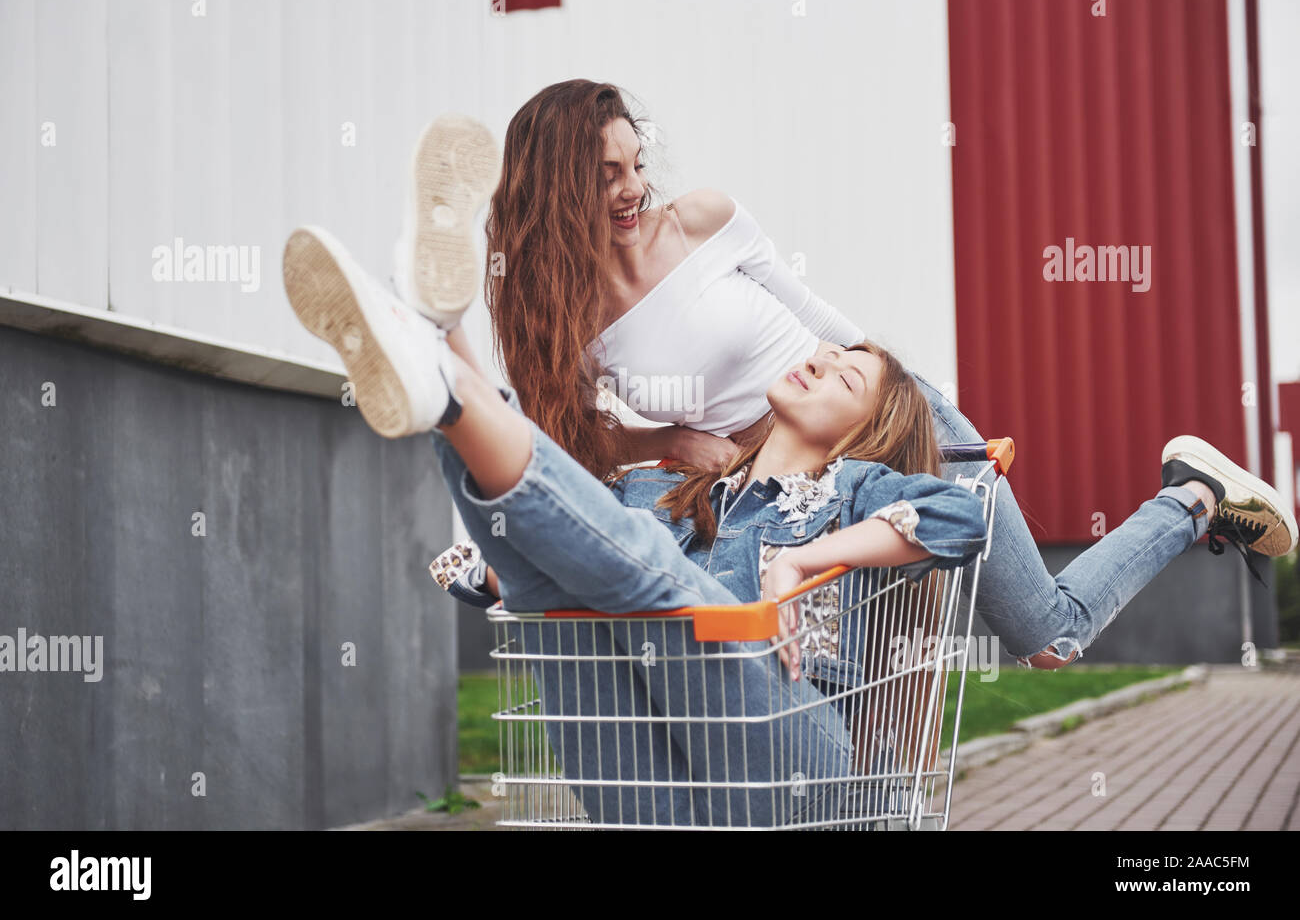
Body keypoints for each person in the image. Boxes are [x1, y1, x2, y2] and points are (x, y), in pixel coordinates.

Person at [447, 82, 1297, 671]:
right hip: (776, 490)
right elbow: (572, 433)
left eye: (636, 163)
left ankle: (1191, 496)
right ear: (558, 184)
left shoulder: (700, 220)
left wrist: (919, 411)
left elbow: (823, 319)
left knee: (1044, 636)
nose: (635, 189)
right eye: (607, 176)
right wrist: (668, 437)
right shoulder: (556, 309)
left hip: (882, 426)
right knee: (864, 671)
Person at [282, 223, 990, 828]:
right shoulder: (668, 491)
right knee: (552, 592)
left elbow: (960, 515)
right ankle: (443, 354)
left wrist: (806, 559)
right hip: (672, 759)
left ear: (866, 433)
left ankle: (444, 371)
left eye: (845, 377)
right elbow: (543, 545)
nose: (819, 358)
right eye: (828, 352)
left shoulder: (854, 487)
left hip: (797, 767)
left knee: (662, 579)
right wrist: (502, 570)